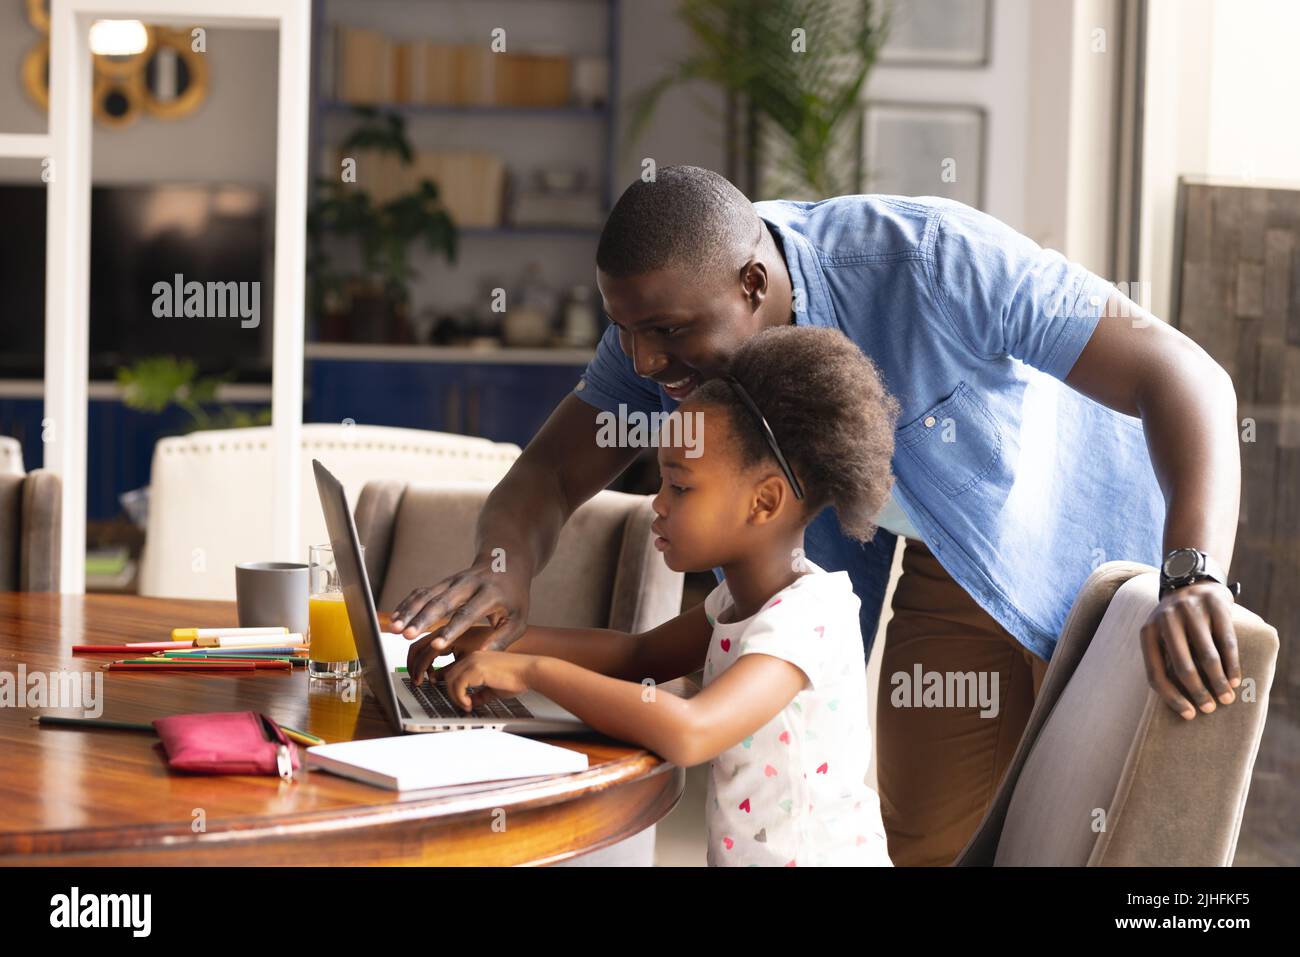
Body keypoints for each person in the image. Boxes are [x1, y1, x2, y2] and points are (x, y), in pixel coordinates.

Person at [389, 166, 1242, 866]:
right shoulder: (662, 316)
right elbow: (548, 470)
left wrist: (1192, 569)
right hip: (945, 560)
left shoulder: (934, 260)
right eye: (629, 333)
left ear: (754, 285)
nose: (645, 362)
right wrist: (500, 581)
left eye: (665, 333)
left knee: (1117, 854)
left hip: (1082, 532)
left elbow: (1185, 376)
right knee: (930, 841)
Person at [408, 325, 898, 866]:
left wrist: (531, 673)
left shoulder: (808, 618)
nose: (656, 505)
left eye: (681, 487)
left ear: (764, 502)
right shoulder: (735, 604)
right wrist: (498, 640)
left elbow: (694, 732)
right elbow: (637, 656)